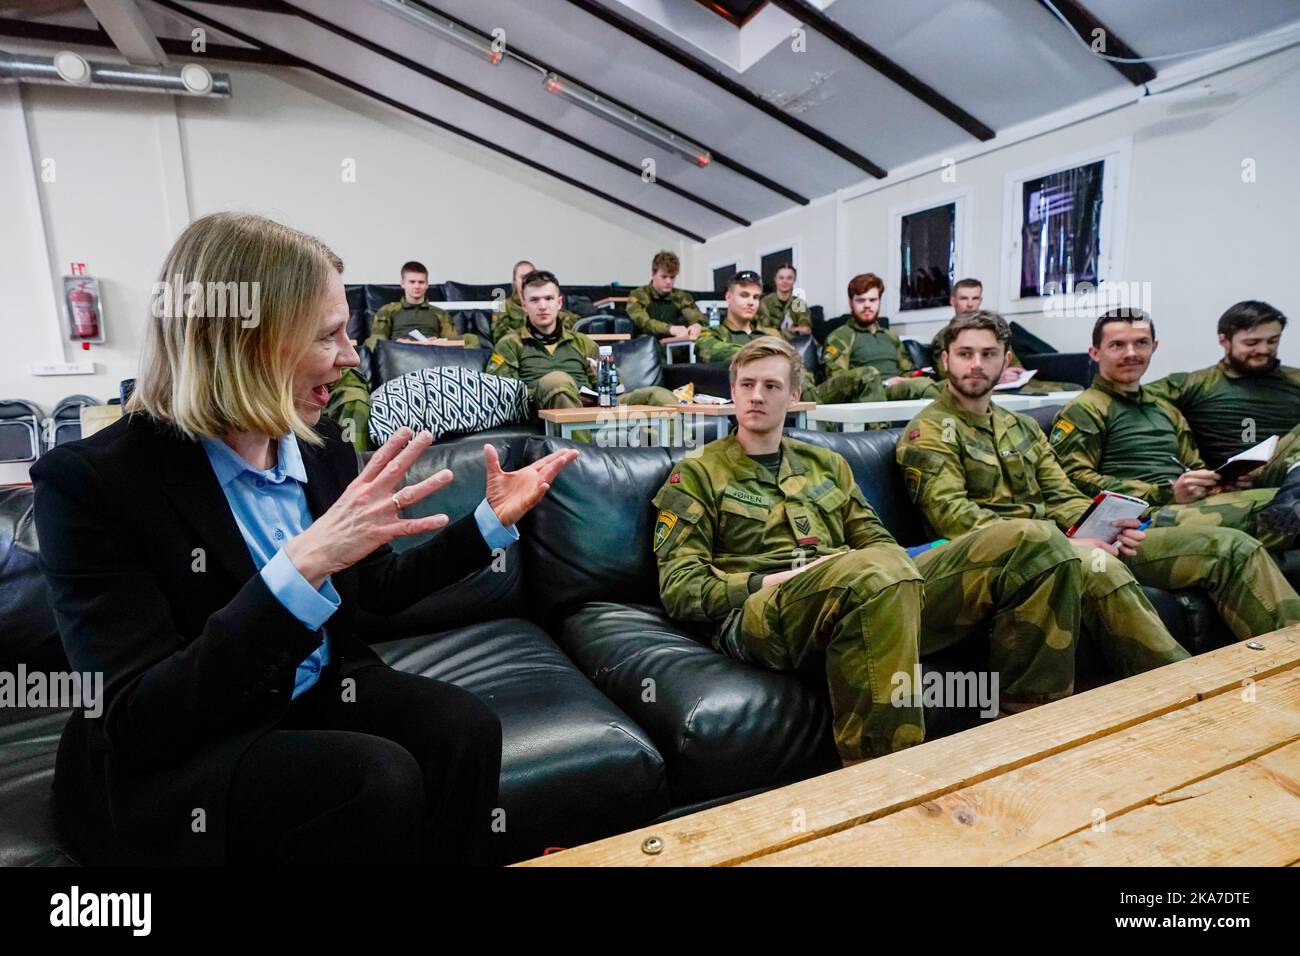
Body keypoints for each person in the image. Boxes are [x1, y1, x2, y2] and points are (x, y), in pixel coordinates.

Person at [30, 212, 578, 866]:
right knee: (374, 780)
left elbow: (375, 588)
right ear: (247, 344)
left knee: (466, 729)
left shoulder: (319, 445)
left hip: (308, 691)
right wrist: (300, 566)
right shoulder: (91, 482)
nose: (351, 356)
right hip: (187, 745)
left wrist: (489, 522)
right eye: (328, 335)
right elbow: (137, 719)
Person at [652, 337, 1081, 763]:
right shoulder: (697, 473)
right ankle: (884, 781)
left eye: (771, 386)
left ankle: (1032, 742)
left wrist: (879, 565)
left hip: (861, 588)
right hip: (763, 610)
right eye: (746, 385)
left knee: (1036, 541)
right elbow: (680, 589)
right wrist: (786, 577)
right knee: (875, 575)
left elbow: (879, 542)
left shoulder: (827, 464)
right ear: (732, 391)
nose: (757, 396)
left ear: (794, 396)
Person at [896, 311, 1300, 677]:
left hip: (1069, 541)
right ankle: (1182, 692)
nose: (976, 364)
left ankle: (1290, 668)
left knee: (1230, 547)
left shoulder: (1020, 426)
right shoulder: (928, 431)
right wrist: (1065, 542)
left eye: (988, 354)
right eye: (965, 354)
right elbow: (955, 518)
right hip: (1005, 559)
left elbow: (1062, 494)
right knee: (1098, 564)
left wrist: (1108, 526)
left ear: (1005, 362)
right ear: (945, 360)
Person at [1049, 309, 1291, 551]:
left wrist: (1213, 482)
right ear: (1095, 353)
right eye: (1117, 345)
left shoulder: (1165, 409)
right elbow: (1073, 479)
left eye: (1141, 343)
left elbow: (1193, 466)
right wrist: (1167, 493)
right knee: (1284, 509)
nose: (1131, 353)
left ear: (1153, 347)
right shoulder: (1084, 409)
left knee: (1287, 500)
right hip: (1141, 518)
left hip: (1189, 504)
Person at [1145, 301, 1300, 532]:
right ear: (1224, 340)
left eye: (1272, 341)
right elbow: (1131, 396)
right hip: (1224, 481)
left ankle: (1293, 500)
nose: (1264, 350)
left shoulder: (1295, 381)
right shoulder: (1194, 384)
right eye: (1252, 343)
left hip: (1284, 473)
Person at [486, 269, 677, 410]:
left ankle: (673, 452)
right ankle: (583, 451)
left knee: (659, 395)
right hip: (541, 409)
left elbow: (616, 389)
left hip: (594, 406)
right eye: (535, 300)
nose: (543, 306)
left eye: (549, 298)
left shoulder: (582, 342)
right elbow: (502, 394)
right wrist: (560, 393)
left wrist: (601, 380)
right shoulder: (510, 344)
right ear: (524, 306)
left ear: (559, 303)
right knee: (557, 381)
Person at [697, 271, 885, 406]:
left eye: (755, 297)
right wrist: (767, 355)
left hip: (801, 392)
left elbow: (796, 362)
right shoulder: (714, 333)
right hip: (762, 396)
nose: (751, 302)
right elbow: (708, 351)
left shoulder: (771, 333)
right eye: (744, 295)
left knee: (866, 374)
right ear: (729, 297)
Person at [823, 273, 914, 384]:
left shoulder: (891, 336)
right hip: (869, 391)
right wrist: (885, 384)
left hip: (903, 390)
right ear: (851, 303)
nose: (867, 305)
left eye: (872, 300)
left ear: (879, 301)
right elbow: (838, 381)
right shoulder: (841, 336)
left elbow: (908, 372)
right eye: (861, 300)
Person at [365, 260, 478, 349]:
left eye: (421, 282)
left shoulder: (440, 313)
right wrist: (397, 343)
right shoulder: (388, 310)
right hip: (398, 352)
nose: (417, 286)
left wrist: (438, 342)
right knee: (370, 341)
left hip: (431, 352)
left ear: (427, 284)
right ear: (402, 283)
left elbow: (452, 341)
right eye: (412, 282)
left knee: (471, 339)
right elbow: (377, 338)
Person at [494, 258, 578, 344]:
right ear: (514, 281)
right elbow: (498, 334)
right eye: (522, 277)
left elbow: (572, 320)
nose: (526, 280)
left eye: (530, 276)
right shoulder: (500, 304)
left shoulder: (546, 302)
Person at [626, 250, 706, 339]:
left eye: (672, 277)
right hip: (646, 343)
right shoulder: (638, 295)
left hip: (675, 342)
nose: (669, 281)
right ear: (653, 274)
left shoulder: (681, 296)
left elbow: (698, 318)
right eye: (664, 277)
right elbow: (642, 323)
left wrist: (697, 325)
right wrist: (670, 329)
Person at [758, 263, 812, 337]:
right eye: (781, 278)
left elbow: (805, 328)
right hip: (772, 340)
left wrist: (798, 329)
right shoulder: (765, 302)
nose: (785, 281)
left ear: (794, 280)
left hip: (796, 341)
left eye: (789, 278)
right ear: (775, 280)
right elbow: (763, 329)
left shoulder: (798, 303)